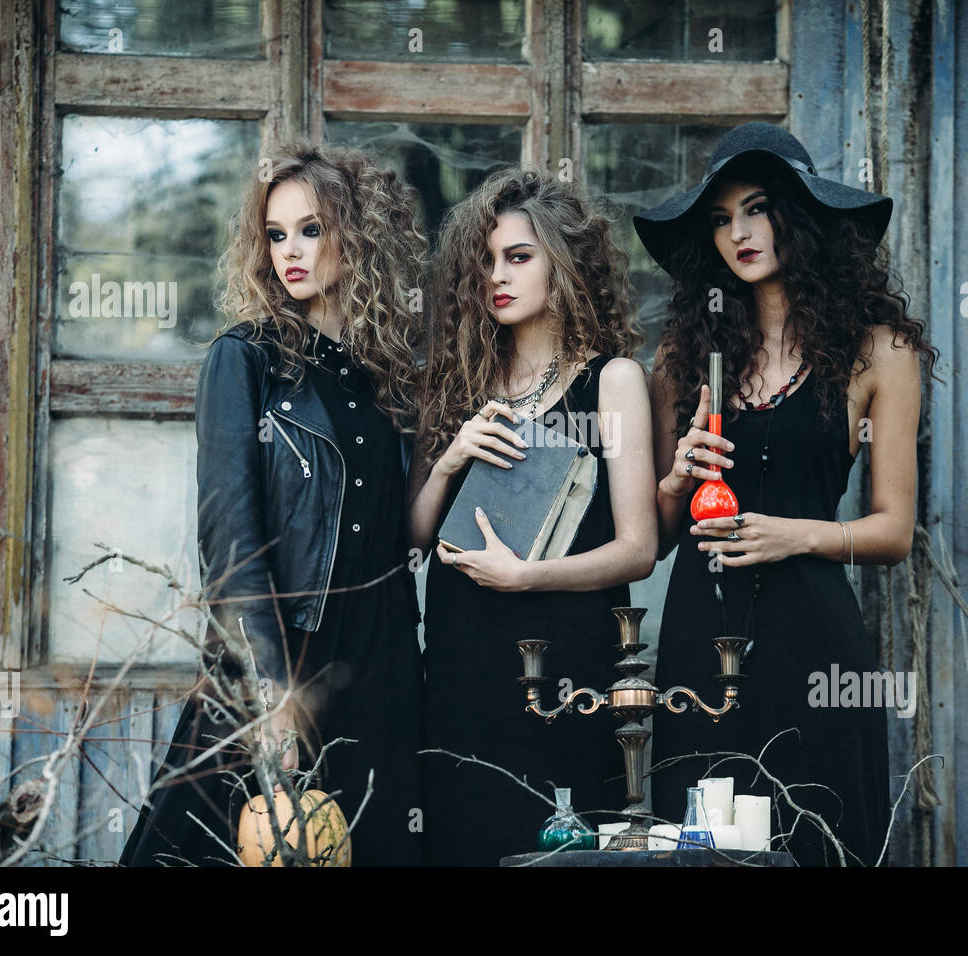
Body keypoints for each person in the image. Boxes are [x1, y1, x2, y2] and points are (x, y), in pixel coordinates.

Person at [636, 123, 939, 866]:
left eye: (757, 207)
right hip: (697, 638)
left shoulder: (880, 351)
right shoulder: (683, 356)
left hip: (814, 639)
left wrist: (796, 534)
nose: (737, 232)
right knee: (705, 843)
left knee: (818, 837)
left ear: (799, 216)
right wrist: (675, 476)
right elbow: (652, 539)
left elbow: (894, 532)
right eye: (719, 217)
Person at [120, 144, 427, 866]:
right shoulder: (245, 358)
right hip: (282, 657)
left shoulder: (385, 378)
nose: (290, 250)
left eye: (312, 230)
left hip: (378, 675)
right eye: (277, 233)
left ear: (359, 238)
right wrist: (269, 690)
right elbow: (232, 538)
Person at [409, 168, 657, 865]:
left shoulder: (611, 381)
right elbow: (418, 533)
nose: (498, 276)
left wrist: (527, 578)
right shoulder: (456, 380)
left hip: (569, 661)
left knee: (565, 850)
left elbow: (639, 549)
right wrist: (453, 455)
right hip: (462, 659)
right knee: (463, 838)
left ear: (564, 263)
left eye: (519, 257)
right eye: (484, 261)